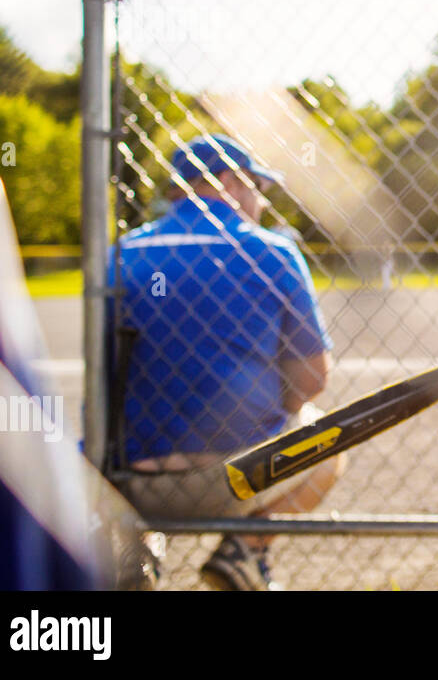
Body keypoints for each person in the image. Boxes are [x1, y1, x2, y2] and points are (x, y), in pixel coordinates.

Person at [109, 134, 346, 590]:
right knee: (329, 438)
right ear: (228, 182)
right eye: (256, 187)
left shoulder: (121, 254)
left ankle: (139, 545)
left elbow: (105, 378)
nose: (259, 201)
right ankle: (245, 549)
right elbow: (313, 380)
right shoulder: (272, 252)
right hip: (237, 476)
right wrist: (267, 405)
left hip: (126, 481)